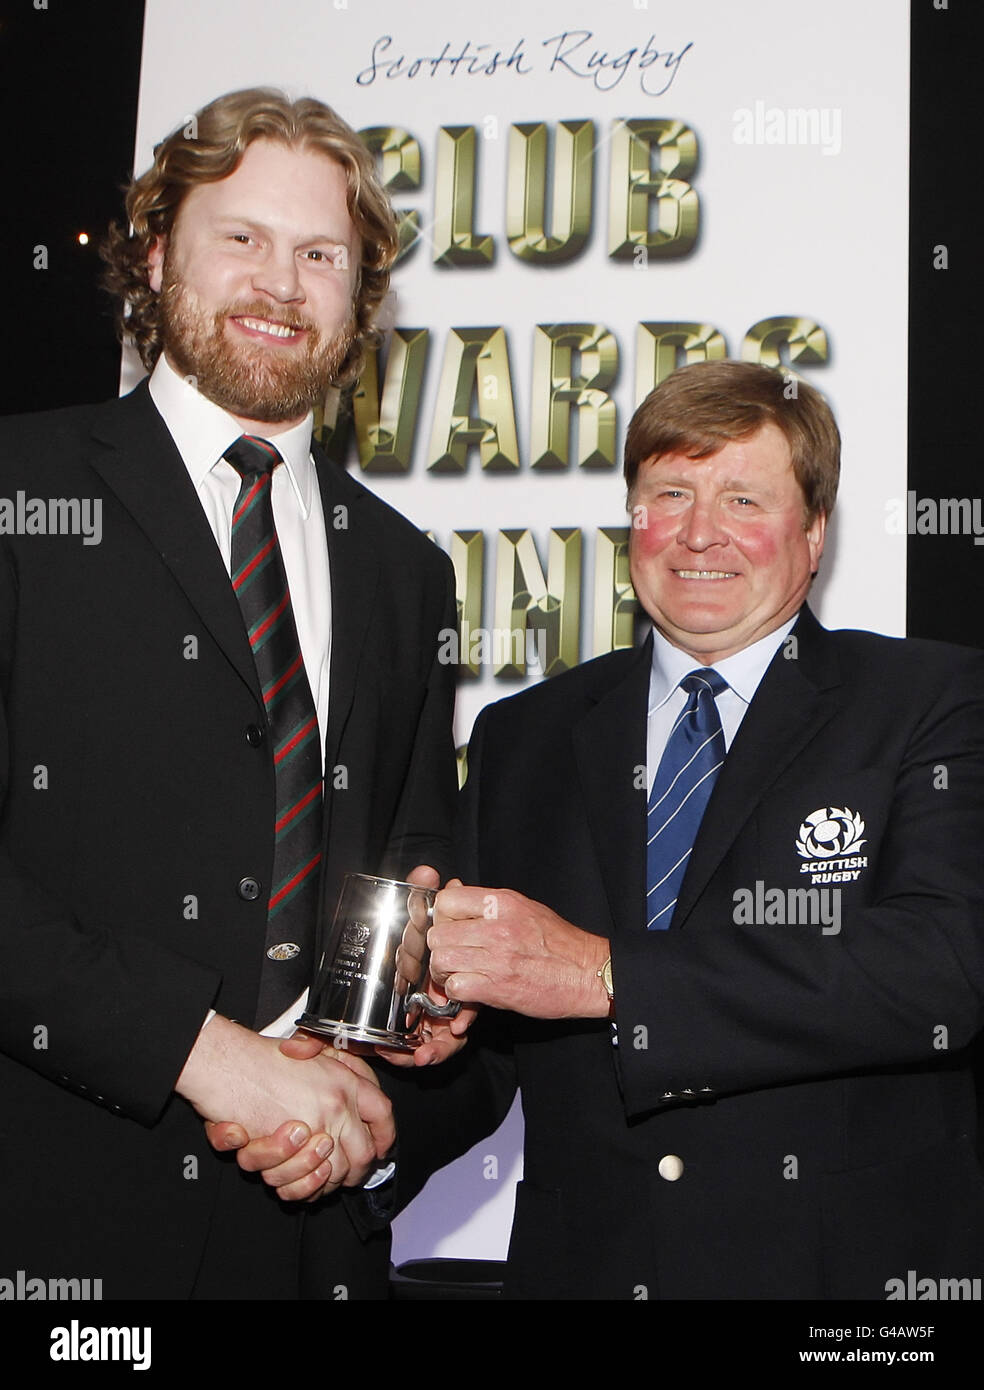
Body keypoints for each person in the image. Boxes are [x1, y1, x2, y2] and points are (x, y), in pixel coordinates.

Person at [0, 88, 462, 1300]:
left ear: (360, 298)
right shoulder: (20, 488)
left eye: (322, 255)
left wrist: (401, 1015)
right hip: (53, 1218)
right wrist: (207, 1056)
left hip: (310, 1226)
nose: (280, 282)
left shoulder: (409, 568)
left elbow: (406, 856)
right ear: (155, 253)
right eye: (241, 238)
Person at [418, 360, 984, 1299]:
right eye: (669, 493)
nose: (699, 532)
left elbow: (944, 966)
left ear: (814, 534)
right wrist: (368, 1119)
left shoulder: (931, 700)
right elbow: (489, 1053)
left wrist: (606, 976)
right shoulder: (521, 736)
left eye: (744, 499)